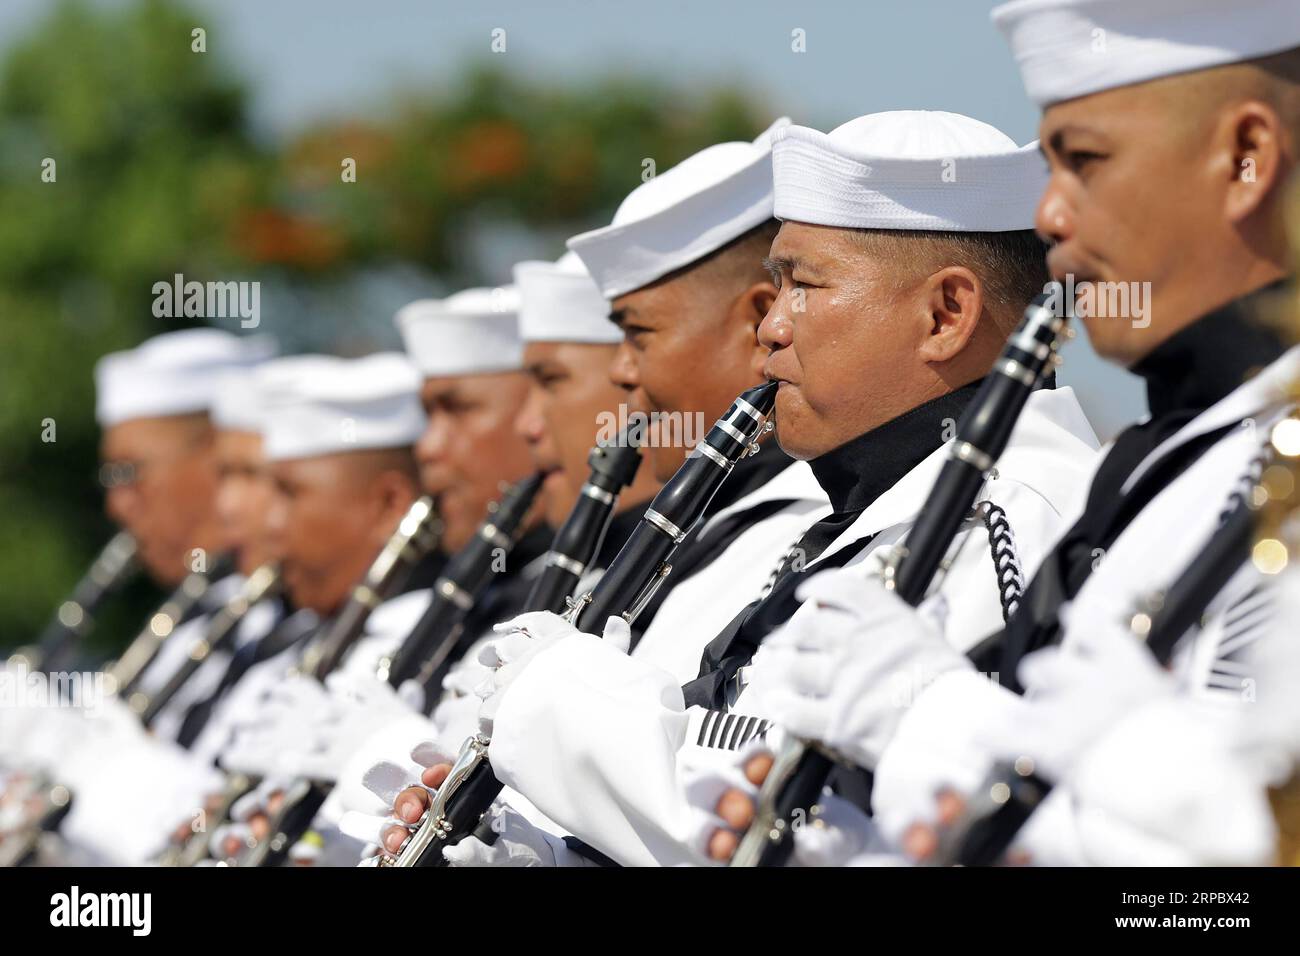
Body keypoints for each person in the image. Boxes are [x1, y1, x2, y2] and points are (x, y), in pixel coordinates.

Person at [379, 111, 1101, 867]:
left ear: (945, 315)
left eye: (804, 285)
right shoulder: (860, 516)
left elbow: (829, 820)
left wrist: (565, 707)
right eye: (775, 284)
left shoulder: (1015, 517)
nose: (772, 328)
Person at [699, 0, 1300, 866]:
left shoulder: (1211, 470)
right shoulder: (1168, 468)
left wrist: (932, 719)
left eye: (1086, 160)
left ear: (1246, 158)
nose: (1051, 216)